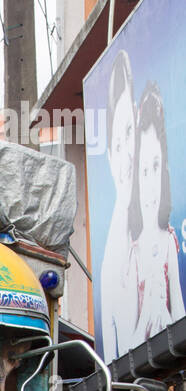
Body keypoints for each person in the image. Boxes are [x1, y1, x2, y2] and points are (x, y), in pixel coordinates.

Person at [128, 82, 186, 346]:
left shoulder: (167, 241)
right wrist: (148, 314)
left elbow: (179, 312)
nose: (151, 182)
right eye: (144, 171)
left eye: (156, 167)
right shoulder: (134, 253)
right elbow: (128, 349)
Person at [100, 50, 138, 362]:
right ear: (110, 153)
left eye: (131, 133)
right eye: (119, 140)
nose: (127, 154)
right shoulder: (111, 262)